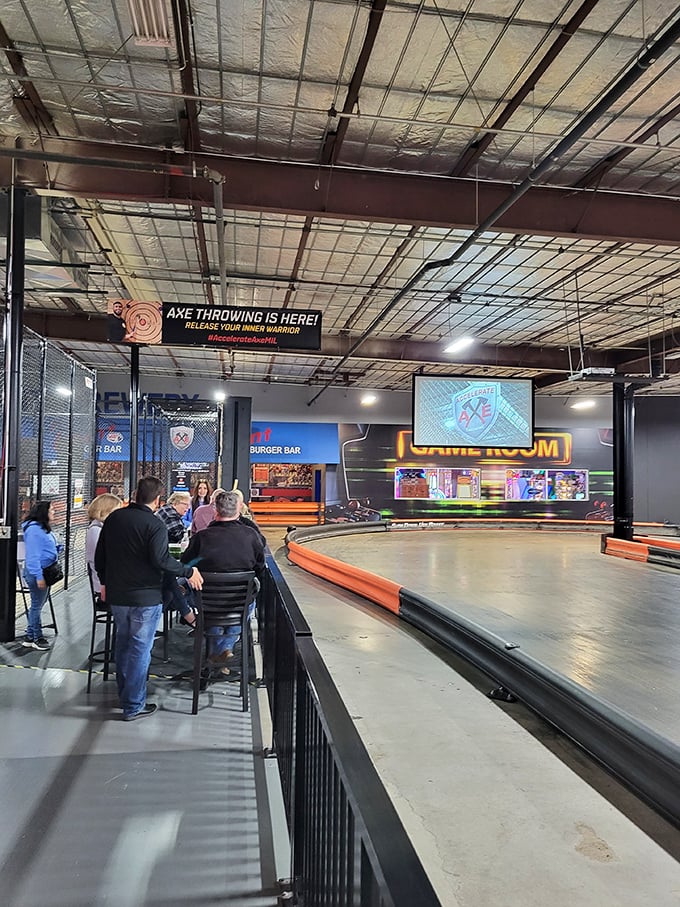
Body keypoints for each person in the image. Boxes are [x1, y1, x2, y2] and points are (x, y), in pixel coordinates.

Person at [94, 476, 203, 721]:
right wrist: (188, 571)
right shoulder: (154, 525)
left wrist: (104, 582)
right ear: (158, 500)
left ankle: (126, 695)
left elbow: (101, 556)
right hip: (146, 597)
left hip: (118, 595)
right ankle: (133, 705)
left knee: (123, 645)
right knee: (140, 649)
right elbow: (161, 560)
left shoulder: (114, 519)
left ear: (134, 495)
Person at [181, 491, 264, 673]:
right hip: (238, 605)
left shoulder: (202, 538)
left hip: (206, 604)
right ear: (239, 509)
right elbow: (260, 567)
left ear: (215, 511)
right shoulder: (251, 536)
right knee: (246, 600)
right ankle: (222, 654)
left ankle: (217, 657)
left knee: (213, 614)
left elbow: (186, 563)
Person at [21, 500, 60, 650]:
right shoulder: (34, 531)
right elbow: (33, 557)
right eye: (52, 510)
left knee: (37, 605)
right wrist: (39, 577)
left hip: (45, 571)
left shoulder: (41, 529)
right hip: (38, 573)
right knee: (36, 606)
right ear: (44, 513)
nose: (54, 512)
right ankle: (37, 637)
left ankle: (30, 636)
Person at [154, 491, 196, 627]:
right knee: (173, 582)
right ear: (175, 503)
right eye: (185, 504)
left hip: (161, 564)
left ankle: (187, 615)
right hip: (156, 568)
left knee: (171, 589)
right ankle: (190, 616)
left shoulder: (167, 511)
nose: (187, 508)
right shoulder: (169, 513)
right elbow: (179, 534)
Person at [85, 493, 123, 594]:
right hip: (104, 585)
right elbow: (101, 559)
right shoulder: (96, 531)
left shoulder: (103, 528)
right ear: (106, 511)